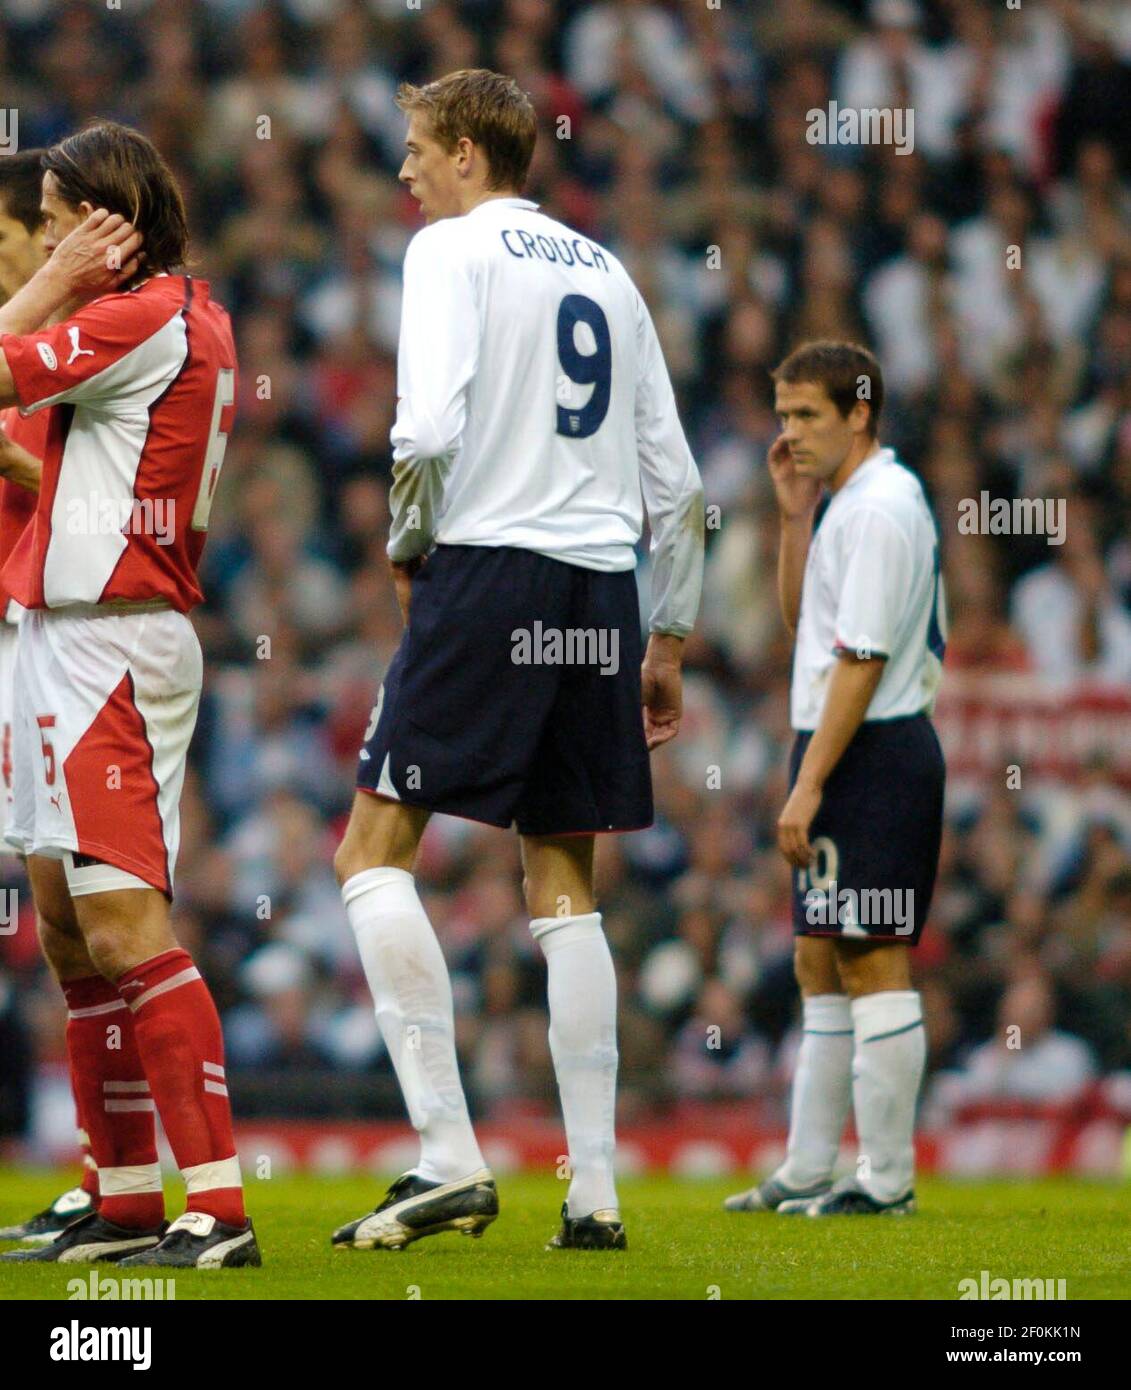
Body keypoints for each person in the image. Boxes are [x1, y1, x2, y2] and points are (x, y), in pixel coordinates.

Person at [331, 69, 704, 1252]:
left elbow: (430, 427)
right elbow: (683, 486)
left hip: (491, 564)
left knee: (370, 845)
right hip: (600, 586)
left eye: (417, 148)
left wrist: (406, 543)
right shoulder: (611, 272)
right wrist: (672, 637)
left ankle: (446, 1153)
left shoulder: (450, 253)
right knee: (565, 886)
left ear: (469, 156)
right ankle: (592, 1193)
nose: (405, 171)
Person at [0, 122, 257, 1269]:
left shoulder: (140, 315)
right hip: (70, 640)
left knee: (124, 924)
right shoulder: (166, 319)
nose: (45, 243)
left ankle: (219, 1206)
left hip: (113, 644)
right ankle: (126, 1196)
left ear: (113, 224)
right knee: (67, 926)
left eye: (60, 222)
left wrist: (50, 282)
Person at [726, 340, 945, 1216]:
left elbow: (861, 660)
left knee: (870, 958)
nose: (791, 433)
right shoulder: (843, 506)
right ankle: (809, 1168)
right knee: (819, 959)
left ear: (860, 411)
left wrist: (810, 784)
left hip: (875, 753)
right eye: (782, 416)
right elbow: (807, 629)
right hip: (841, 745)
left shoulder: (882, 509)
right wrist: (790, 516)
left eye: (808, 414)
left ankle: (886, 1181)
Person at [0, 149, 100, 1245]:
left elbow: (125, 506)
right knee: (57, 928)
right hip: (21, 643)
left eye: (4, 242)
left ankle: (168, 1184)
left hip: (75, 646)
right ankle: (99, 1175)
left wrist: (20, 469)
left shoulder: (74, 359)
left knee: (93, 912)